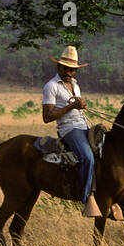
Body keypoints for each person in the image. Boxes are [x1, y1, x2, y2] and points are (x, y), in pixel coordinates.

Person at [41, 46, 102, 218]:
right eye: (66, 68)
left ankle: (104, 194)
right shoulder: (51, 86)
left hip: (83, 126)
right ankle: (86, 198)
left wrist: (80, 105)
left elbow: (76, 107)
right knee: (87, 157)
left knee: (104, 153)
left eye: (72, 69)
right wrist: (72, 106)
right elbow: (47, 117)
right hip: (69, 129)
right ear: (59, 67)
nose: (69, 72)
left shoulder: (75, 85)